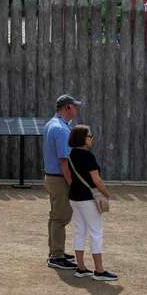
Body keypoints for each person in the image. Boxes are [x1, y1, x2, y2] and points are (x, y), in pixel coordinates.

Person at [67, 125, 117, 280]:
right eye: (90, 136)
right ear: (83, 138)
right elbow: (96, 179)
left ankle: (81, 268)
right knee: (96, 232)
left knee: (79, 231)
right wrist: (106, 194)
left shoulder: (71, 154)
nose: (92, 138)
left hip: (74, 197)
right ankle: (99, 270)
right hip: (88, 198)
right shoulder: (88, 156)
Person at [42, 94, 81, 270]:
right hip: (59, 178)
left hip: (52, 177)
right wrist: (72, 183)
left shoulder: (53, 124)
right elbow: (64, 161)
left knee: (55, 215)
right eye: (74, 106)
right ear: (67, 108)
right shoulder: (61, 129)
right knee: (61, 216)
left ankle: (55, 251)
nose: (76, 109)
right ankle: (56, 255)